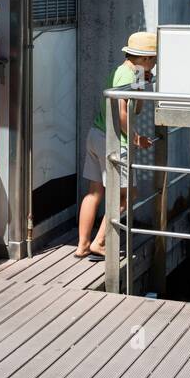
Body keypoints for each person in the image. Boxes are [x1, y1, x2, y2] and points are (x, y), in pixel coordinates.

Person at [76, 31, 157, 260]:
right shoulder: (125, 75)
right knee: (126, 195)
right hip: (113, 141)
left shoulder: (128, 72)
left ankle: (82, 244)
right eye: (154, 58)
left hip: (96, 135)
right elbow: (122, 113)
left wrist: (142, 84)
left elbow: (136, 109)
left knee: (94, 192)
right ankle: (99, 242)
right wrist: (135, 138)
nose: (155, 63)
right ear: (145, 58)